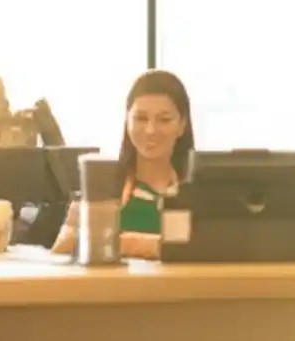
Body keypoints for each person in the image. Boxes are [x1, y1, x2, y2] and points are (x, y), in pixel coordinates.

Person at [52, 70, 194, 259]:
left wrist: (115, 242)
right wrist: (147, 245)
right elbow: (64, 245)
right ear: (127, 121)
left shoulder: (196, 194)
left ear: (182, 125)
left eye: (164, 120)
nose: (151, 130)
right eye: (141, 118)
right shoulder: (101, 186)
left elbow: (205, 249)